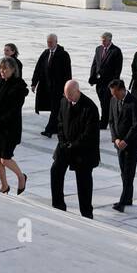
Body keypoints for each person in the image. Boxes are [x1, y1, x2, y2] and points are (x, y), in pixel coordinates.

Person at [50, 80, 100, 219]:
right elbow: (60, 123)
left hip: (82, 151)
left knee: (83, 181)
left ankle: (86, 213)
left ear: (77, 91)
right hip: (65, 146)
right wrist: (63, 141)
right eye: (66, 95)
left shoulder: (90, 108)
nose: (68, 98)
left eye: (70, 95)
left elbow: (88, 134)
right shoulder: (64, 102)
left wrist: (73, 145)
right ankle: (58, 204)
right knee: (55, 171)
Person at [0, 57, 30, 194]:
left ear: (13, 70)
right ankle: (4, 186)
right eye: (1, 68)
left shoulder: (18, 87)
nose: (2, 71)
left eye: (6, 69)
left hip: (10, 127)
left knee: (5, 158)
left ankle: (21, 177)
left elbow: (14, 110)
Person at [107, 78, 137, 212]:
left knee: (129, 173)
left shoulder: (134, 102)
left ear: (122, 90)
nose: (114, 96)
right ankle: (128, 198)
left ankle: (122, 202)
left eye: (116, 93)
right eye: (112, 94)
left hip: (131, 144)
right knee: (124, 172)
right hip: (119, 144)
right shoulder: (113, 100)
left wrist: (125, 141)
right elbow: (111, 121)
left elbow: (136, 124)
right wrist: (115, 139)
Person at [30, 34, 71, 137]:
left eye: (51, 42)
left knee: (55, 108)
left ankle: (49, 130)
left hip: (58, 87)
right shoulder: (45, 53)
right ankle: (57, 128)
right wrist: (34, 83)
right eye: (48, 42)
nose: (49, 44)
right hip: (46, 87)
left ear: (56, 42)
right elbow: (38, 69)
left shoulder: (63, 55)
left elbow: (67, 73)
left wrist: (67, 88)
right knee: (55, 109)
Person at [88, 32, 123, 128]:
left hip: (109, 82)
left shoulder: (116, 51)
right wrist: (92, 78)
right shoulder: (98, 49)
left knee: (106, 102)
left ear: (110, 40)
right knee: (102, 101)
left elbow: (118, 69)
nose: (102, 42)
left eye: (104, 40)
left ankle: (104, 122)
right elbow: (95, 64)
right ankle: (106, 118)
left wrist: (114, 84)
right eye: (102, 40)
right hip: (99, 82)